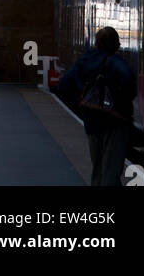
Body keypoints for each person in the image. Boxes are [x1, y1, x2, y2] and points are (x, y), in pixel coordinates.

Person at [55, 26, 136, 186]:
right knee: (111, 171)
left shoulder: (85, 60)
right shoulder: (116, 63)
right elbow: (129, 86)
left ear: (97, 43)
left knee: (98, 168)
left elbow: (63, 86)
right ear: (116, 45)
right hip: (115, 123)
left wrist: (81, 105)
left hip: (92, 122)